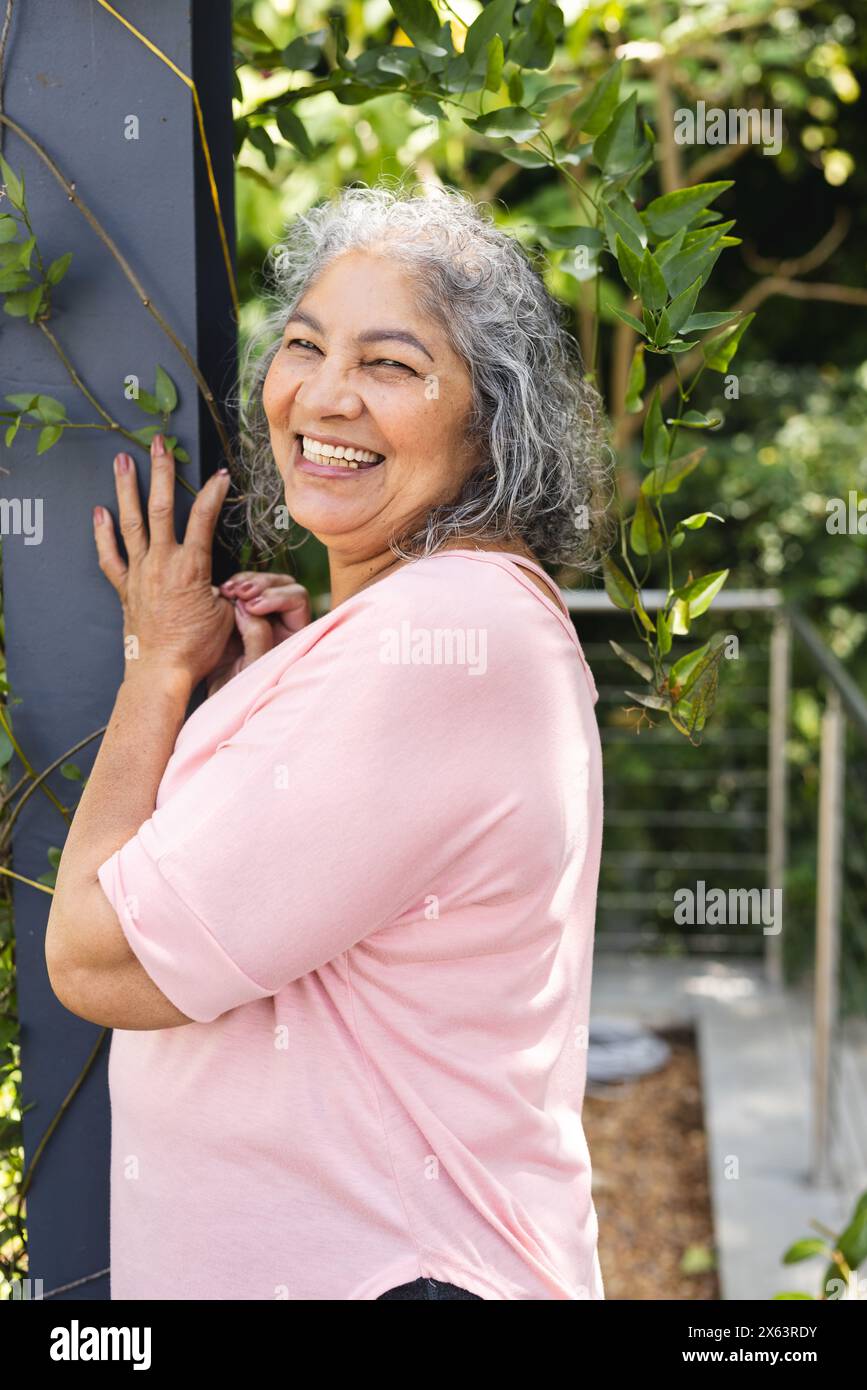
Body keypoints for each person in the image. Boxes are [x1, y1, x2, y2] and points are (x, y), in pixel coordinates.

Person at [45, 177, 612, 1300]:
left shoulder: (449, 633)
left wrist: (158, 668)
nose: (327, 394)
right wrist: (255, 706)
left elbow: (94, 957)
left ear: (490, 422)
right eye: (305, 345)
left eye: (392, 365)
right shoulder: (422, 629)